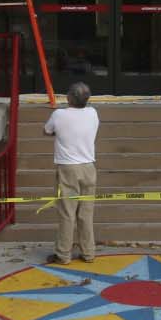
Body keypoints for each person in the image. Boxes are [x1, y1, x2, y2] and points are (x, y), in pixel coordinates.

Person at [45, 81, 101, 264]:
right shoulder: (93, 113)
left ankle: (63, 254)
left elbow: (47, 131)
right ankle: (88, 252)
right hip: (88, 167)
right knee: (86, 213)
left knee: (67, 213)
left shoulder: (59, 114)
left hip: (67, 168)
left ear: (69, 97)